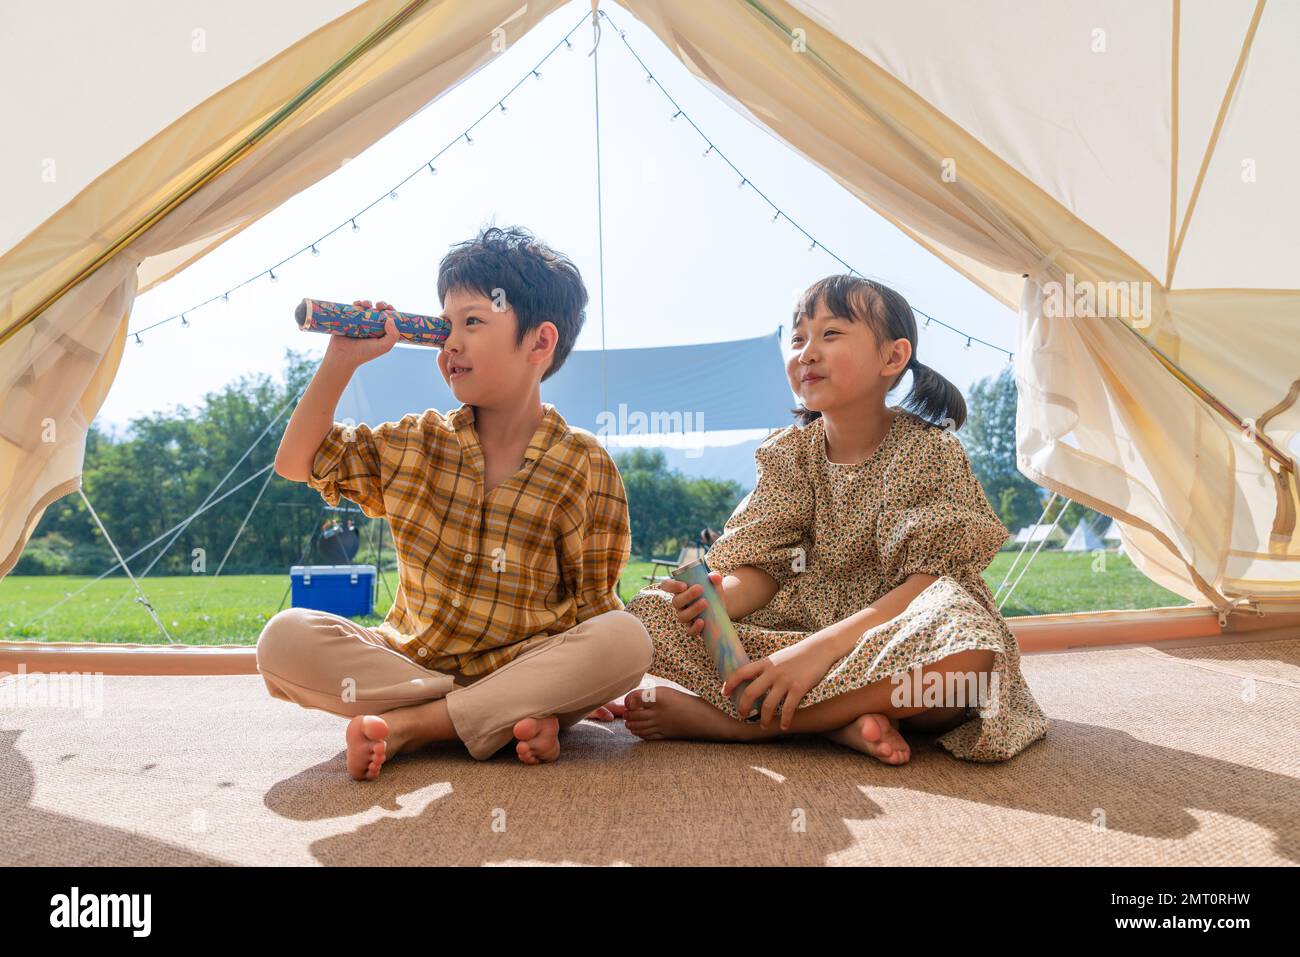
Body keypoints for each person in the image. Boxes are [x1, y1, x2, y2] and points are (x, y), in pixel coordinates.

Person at [259, 225, 651, 780]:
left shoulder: (585, 465)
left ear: (540, 343)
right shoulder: (415, 442)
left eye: (472, 322)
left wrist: (585, 689)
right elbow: (297, 462)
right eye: (446, 327)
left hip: (523, 661)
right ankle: (488, 713)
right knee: (282, 640)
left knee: (627, 640)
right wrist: (342, 360)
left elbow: (594, 604)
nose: (451, 344)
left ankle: (414, 726)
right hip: (411, 662)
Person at [619, 274, 1049, 764]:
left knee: (967, 659)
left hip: (896, 633)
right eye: (798, 338)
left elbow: (928, 586)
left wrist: (813, 655)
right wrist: (721, 599)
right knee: (652, 611)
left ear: (892, 357)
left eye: (830, 334)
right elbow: (764, 566)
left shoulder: (928, 450)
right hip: (795, 630)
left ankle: (753, 725)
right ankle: (835, 721)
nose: (807, 352)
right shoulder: (789, 454)